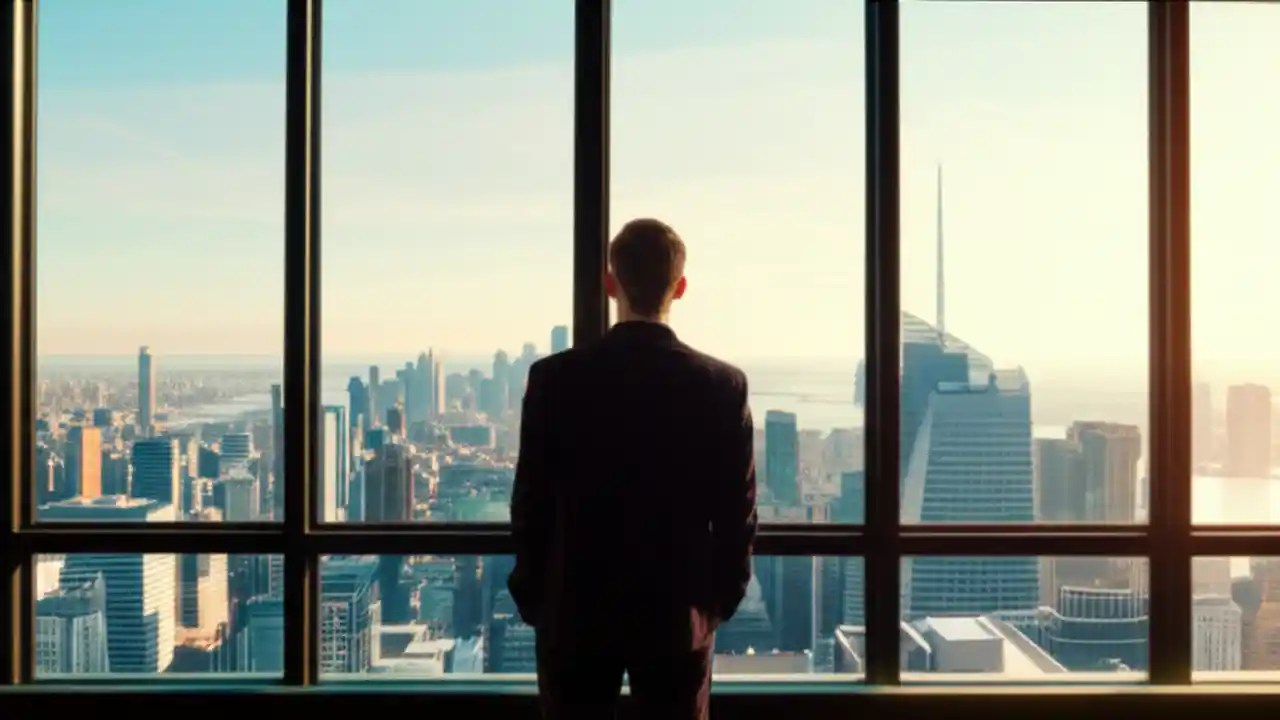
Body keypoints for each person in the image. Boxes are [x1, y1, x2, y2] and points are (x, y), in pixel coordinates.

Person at [509, 218, 758, 719]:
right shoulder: (720, 386)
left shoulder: (555, 379)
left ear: (610, 283)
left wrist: (537, 600)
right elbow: (738, 514)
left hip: (575, 612)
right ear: (680, 288)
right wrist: (712, 608)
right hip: (675, 615)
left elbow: (530, 501)